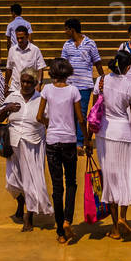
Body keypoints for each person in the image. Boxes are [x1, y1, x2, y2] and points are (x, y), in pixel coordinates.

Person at [86, 51, 131, 239]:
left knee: (110, 179)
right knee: (126, 176)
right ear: (128, 67)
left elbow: (93, 113)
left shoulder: (101, 81)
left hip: (104, 134)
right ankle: (122, 217)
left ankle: (114, 227)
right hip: (124, 135)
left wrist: (88, 139)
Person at [37, 57, 84, 244]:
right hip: (69, 141)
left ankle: (60, 231)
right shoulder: (73, 90)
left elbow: (39, 116)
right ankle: (67, 220)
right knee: (71, 182)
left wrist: (51, 125)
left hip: (52, 142)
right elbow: (80, 118)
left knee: (57, 187)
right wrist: (86, 140)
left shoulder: (47, 90)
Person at [0, 69, 51, 231]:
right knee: (12, 181)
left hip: (33, 145)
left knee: (31, 182)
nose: (26, 85)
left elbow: (49, 120)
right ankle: (21, 202)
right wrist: (7, 109)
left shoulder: (41, 99)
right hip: (13, 144)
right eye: (23, 81)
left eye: (29, 82)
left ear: (35, 84)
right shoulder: (12, 97)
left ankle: (29, 216)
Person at [60, 17, 104, 140]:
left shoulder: (90, 43)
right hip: (69, 85)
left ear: (72, 30)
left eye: (66, 29)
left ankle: (80, 141)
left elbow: (98, 62)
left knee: (82, 113)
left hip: (84, 85)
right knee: (69, 113)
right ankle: (71, 138)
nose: (65, 32)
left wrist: (103, 79)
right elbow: (63, 64)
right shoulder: (67, 45)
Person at [5, 25, 47, 95]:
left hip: (31, 88)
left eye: (22, 38)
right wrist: (6, 85)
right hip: (15, 87)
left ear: (27, 36)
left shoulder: (35, 50)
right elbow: (9, 69)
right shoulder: (12, 50)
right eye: (17, 38)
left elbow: (40, 68)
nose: (19, 40)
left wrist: (39, 84)